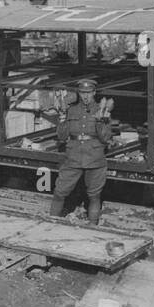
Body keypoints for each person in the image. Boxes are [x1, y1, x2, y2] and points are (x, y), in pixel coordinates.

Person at [49, 78, 113, 225]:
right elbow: (62, 136)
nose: (86, 96)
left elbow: (105, 138)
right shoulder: (70, 110)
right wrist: (62, 118)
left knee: (94, 196)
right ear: (78, 93)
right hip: (73, 157)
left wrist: (101, 121)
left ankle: (92, 226)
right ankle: (50, 222)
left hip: (94, 157)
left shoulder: (102, 110)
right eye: (83, 93)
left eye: (89, 93)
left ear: (94, 92)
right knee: (59, 192)